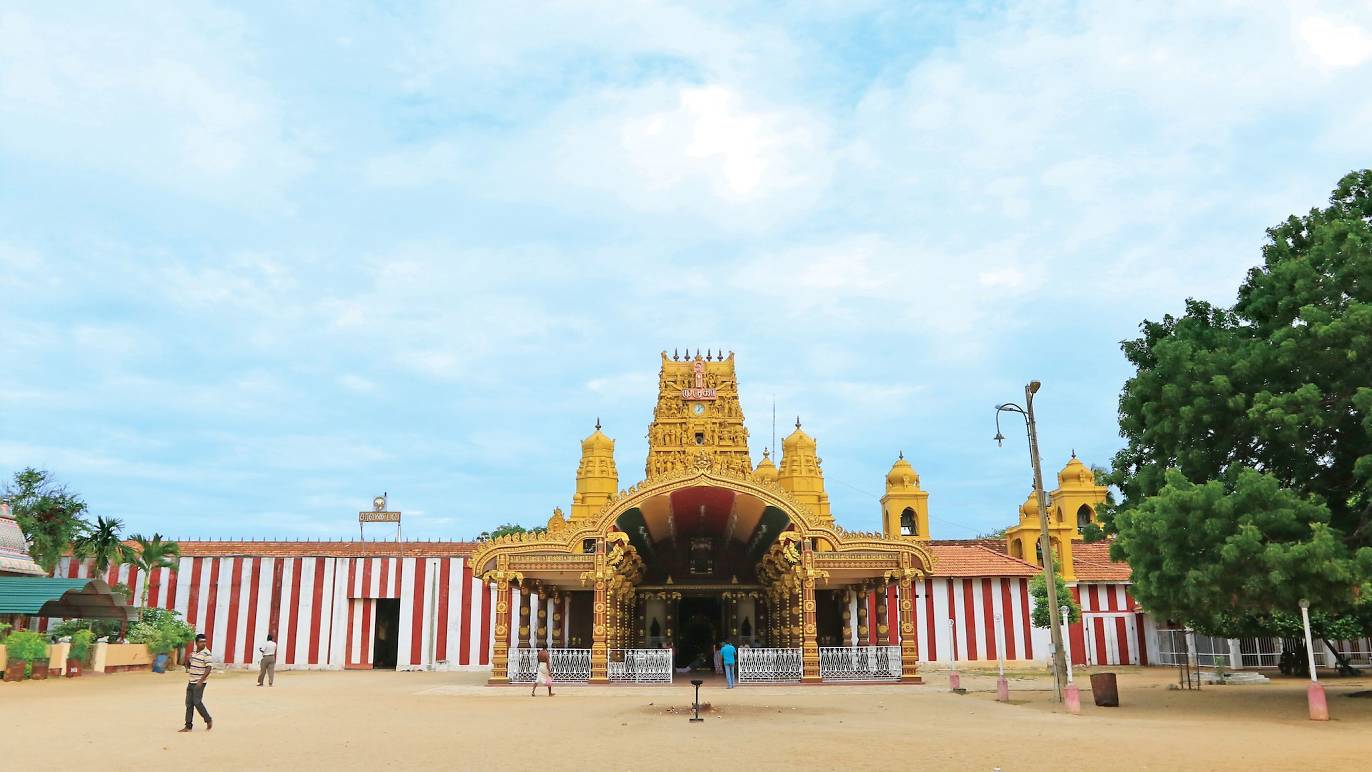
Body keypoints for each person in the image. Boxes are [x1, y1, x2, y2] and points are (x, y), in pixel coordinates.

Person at [180, 633, 213, 732]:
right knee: (189, 704)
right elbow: (189, 666)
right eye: (201, 642)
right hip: (191, 681)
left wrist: (201, 681)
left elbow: (209, 668)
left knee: (197, 702)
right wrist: (188, 659)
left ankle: (208, 719)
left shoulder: (206, 653)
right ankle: (188, 725)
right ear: (196, 643)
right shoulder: (194, 652)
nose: (203, 643)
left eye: (204, 642)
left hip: (199, 682)